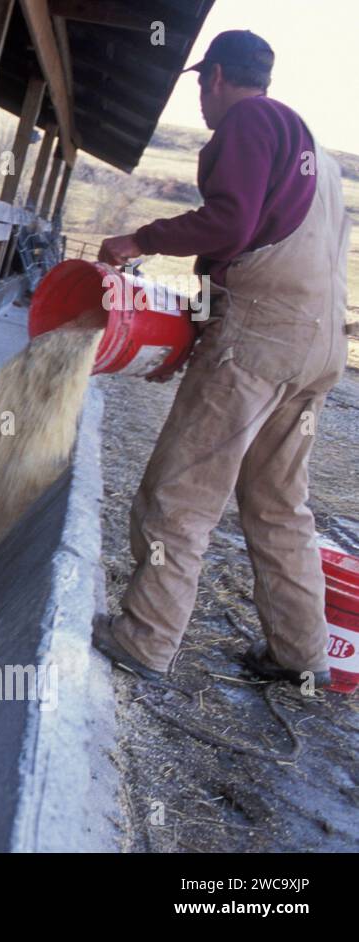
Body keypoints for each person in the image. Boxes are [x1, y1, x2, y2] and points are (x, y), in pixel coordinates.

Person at [92, 30, 351, 686]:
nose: (203, 103)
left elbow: (228, 225)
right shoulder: (319, 152)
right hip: (318, 348)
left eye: (201, 88)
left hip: (259, 342)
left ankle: (144, 639)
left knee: (179, 493)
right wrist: (202, 325)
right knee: (276, 502)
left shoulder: (246, 122)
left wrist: (137, 239)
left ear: (213, 79)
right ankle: (300, 655)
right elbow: (254, 243)